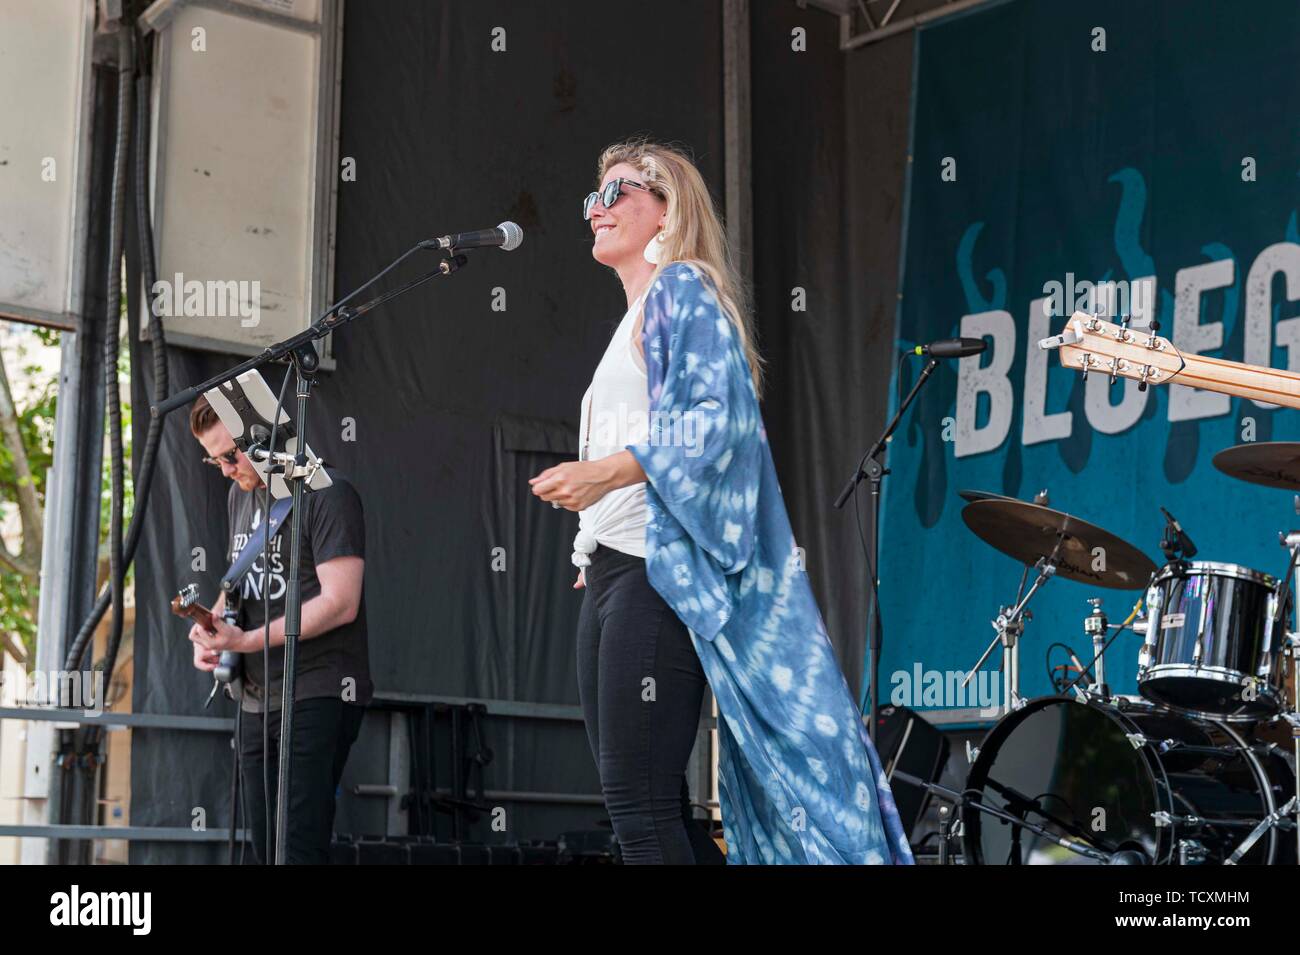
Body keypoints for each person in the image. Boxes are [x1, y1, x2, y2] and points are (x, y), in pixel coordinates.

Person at [529, 139, 913, 864]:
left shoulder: (683, 289)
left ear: (668, 210)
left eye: (618, 192)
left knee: (639, 809)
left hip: (656, 571)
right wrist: (590, 544)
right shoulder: (636, 314)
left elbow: (714, 421)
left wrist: (607, 475)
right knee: (650, 806)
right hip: (614, 569)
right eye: (592, 197)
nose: (596, 210)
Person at [187, 395, 372, 863]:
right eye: (215, 461)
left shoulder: (330, 493)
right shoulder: (240, 495)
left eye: (231, 454)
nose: (227, 469)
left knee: (297, 847)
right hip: (254, 694)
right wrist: (209, 626)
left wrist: (247, 640)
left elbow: (340, 602)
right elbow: (239, 581)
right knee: (264, 847)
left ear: (266, 436)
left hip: (318, 687)